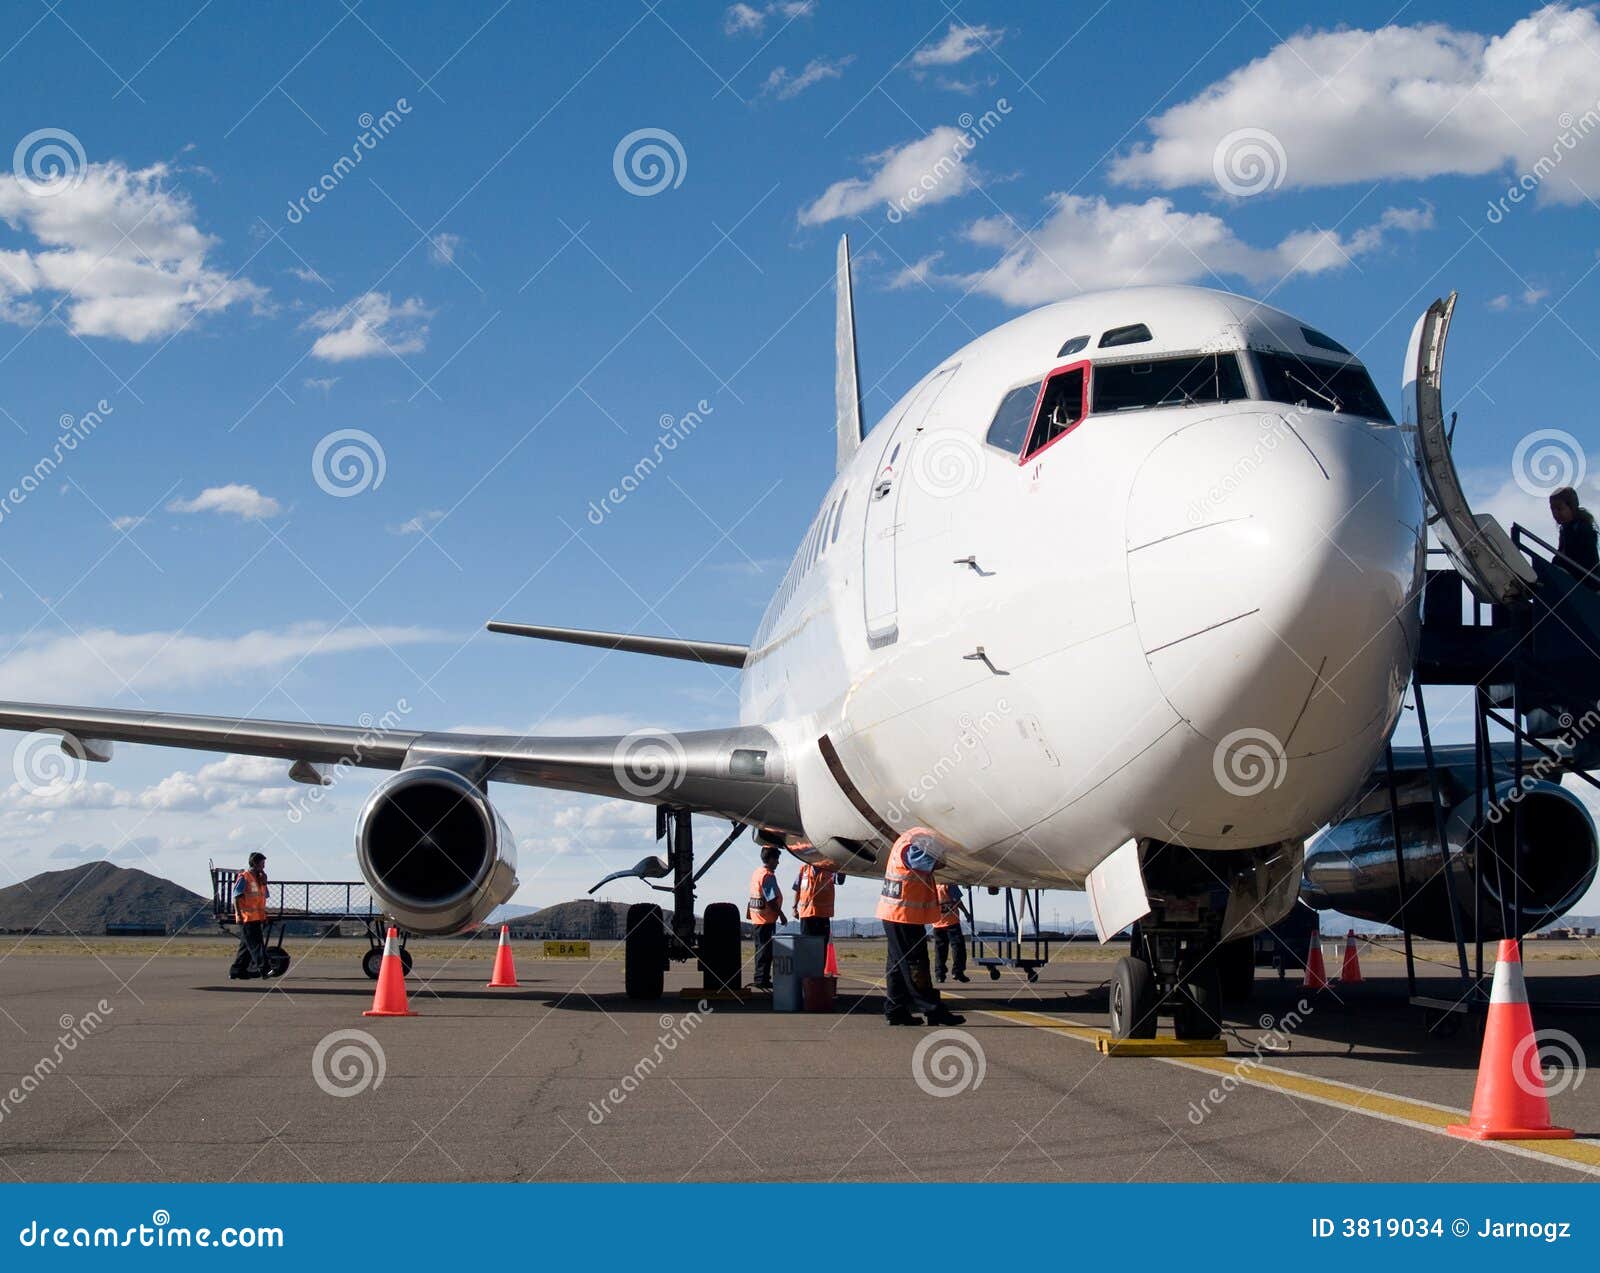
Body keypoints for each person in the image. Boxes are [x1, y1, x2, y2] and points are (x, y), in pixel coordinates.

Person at [874, 827, 964, 1027]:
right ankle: (932, 1008)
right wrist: (944, 852)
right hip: (903, 917)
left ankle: (896, 1010)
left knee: (897, 965)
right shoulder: (911, 849)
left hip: (896, 915)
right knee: (915, 964)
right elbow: (934, 863)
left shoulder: (904, 842)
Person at [747, 846, 788, 991]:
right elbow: (770, 899)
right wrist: (781, 915)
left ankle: (760, 977)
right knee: (765, 951)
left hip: (757, 916)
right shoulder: (767, 875)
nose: (778, 863)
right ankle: (762, 979)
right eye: (776, 859)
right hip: (766, 919)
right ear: (770, 859)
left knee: (760, 949)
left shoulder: (757, 872)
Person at [228, 852, 270, 980]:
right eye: (262, 864)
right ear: (255, 863)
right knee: (257, 945)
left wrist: (264, 881)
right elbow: (236, 895)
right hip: (247, 917)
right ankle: (265, 968)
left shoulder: (259, 878)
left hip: (256, 917)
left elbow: (264, 896)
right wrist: (238, 914)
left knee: (246, 946)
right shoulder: (245, 877)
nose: (264, 867)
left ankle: (237, 970)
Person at [1550, 486, 1599, 590]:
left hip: (1588, 585)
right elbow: (1561, 555)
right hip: (1573, 579)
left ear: (1571, 507)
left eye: (1559, 509)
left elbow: (1586, 562)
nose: (1555, 514)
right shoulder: (1565, 531)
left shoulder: (1583, 529)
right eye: (1552, 509)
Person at [793, 858, 842, 941]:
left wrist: (843, 868)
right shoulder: (804, 869)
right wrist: (794, 908)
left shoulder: (829, 868)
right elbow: (797, 889)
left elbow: (839, 880)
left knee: (822, 945)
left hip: (822, 916)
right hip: (806, 915)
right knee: (806, 944)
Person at [933, 883, 969, 983]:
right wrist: (966, 912)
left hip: (937, 924)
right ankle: (958, 971)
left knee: (940, 950)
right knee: (958, 947)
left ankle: (939, 975)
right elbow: (957, 900)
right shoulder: (948, 884)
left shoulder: (931, 885)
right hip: (952, 922)